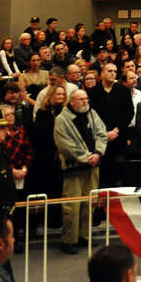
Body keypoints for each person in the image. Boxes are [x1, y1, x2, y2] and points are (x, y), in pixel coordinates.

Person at [54, 89, 108, 254]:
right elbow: (65, 145)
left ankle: (84, 236)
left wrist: (98, 153)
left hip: (93, 166)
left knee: (89, 204)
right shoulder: (62, 119)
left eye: (86, 99)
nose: (86, 102)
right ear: (72, 102)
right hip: (74, 169)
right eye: (81, 99)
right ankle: (69, 240)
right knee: (72, 207)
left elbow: (102, 134)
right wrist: (87, 157)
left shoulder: (92, 113)